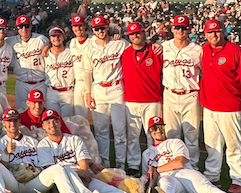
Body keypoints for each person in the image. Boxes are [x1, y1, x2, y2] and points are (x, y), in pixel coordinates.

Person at [142, 116, 241, 193]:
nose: (158, 130)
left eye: (161, 127)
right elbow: (147, 177)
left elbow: (179, 162)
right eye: (154, 128)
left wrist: (156, 169)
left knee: (208, 190)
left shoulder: (175, 142)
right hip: (169, 180)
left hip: (185, 174)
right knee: (165, 182)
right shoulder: (146, 154)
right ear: (149, 131)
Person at [35, 109, 147, 193]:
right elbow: (52, 170)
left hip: (83, 178)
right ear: (43, 126)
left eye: (55, 121)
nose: (52, 125)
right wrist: (79, 172)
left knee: (107, 190)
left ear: (60, 123)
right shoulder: (43, 145)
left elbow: (84, 166)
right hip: (62, 184)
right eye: (48, 122)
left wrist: (83, 172)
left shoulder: (74, 139)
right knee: (64, 170)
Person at [0, 108, 102, 193]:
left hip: (34, 183)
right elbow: (0, 170)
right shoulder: (0, 144)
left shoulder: (32, 141)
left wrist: (91, 164)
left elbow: (42, 164)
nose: (12, 124)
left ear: (19, 122)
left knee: (57, 168)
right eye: (9, 121)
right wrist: (6, 153)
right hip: (15, 183)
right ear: (3, 123)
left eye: (15, 120)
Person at [200, 19, 241, 193]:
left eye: (217, 31)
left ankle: (238, 179)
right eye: (210, 32)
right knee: (212, 144)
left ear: (223, 32)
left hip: (230, 106)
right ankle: (212, 176)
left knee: (233, 146)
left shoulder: (235, 51)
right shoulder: (204, 50)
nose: (213, 35)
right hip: (209, 106)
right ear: (205, 34)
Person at [81, 14, 129, 169]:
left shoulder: (120, 44)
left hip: (116, 88)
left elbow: (137, 49)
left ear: (107, 27)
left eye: (102, 27)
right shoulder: (89, 48)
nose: (100, 31)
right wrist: (88, 93)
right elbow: (87, 73)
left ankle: (121, 163)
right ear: (93, 30)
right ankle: (105, 163)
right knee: (101, 130)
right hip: (98, 89)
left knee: (119, 129)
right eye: (97, 29)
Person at [121, 21, 163, 176]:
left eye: (138, 32)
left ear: (144, 33)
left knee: (152, 134)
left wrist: (158, 44)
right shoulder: (125, 53)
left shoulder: (156, 51)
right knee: (132, 135)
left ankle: (153, 164)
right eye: (132, 34)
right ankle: (133, 165)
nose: (135, 36)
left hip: (152, 99)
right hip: (131, 100)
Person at [160, 14, 202, 166]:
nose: (180, 31)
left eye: (183, 28)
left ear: (189, 30)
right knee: (171, 134)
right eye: (177, 28)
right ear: (172, 29)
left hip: (190, 96)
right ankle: (172, 165)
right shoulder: (163, 48)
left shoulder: (197, 50)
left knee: (192, 135)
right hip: (170, 94)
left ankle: (193, 166)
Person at [7, 14, 48, 111]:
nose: (24, 29)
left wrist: (48, 46)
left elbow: (54, 44)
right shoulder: (11, 41)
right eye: (21, 26)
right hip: (22, 83)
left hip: (40, 83)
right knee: (21, 111)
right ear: (17, 28)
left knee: (41, 110)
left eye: (26, 26)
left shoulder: (41, 39)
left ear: (31, 26)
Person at [42, 25, 77, 119]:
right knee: (53, 120)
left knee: (67, 121)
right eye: (53, 36)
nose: (56, 38)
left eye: (58, 35)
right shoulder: (45, 54)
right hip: (51, 91)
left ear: (63, 36)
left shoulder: (71, 52)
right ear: (50, 38)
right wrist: (47, 47)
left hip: (68, 91)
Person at [65, 14, 91, 118]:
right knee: (79, 115)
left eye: (80, 25)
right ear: (72, 28)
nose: (78, 28)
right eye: (75, 26)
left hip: (93, 82)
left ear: (85, 26)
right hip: (79, 82)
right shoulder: (72, 42)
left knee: (97, 113)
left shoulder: (93, 40)